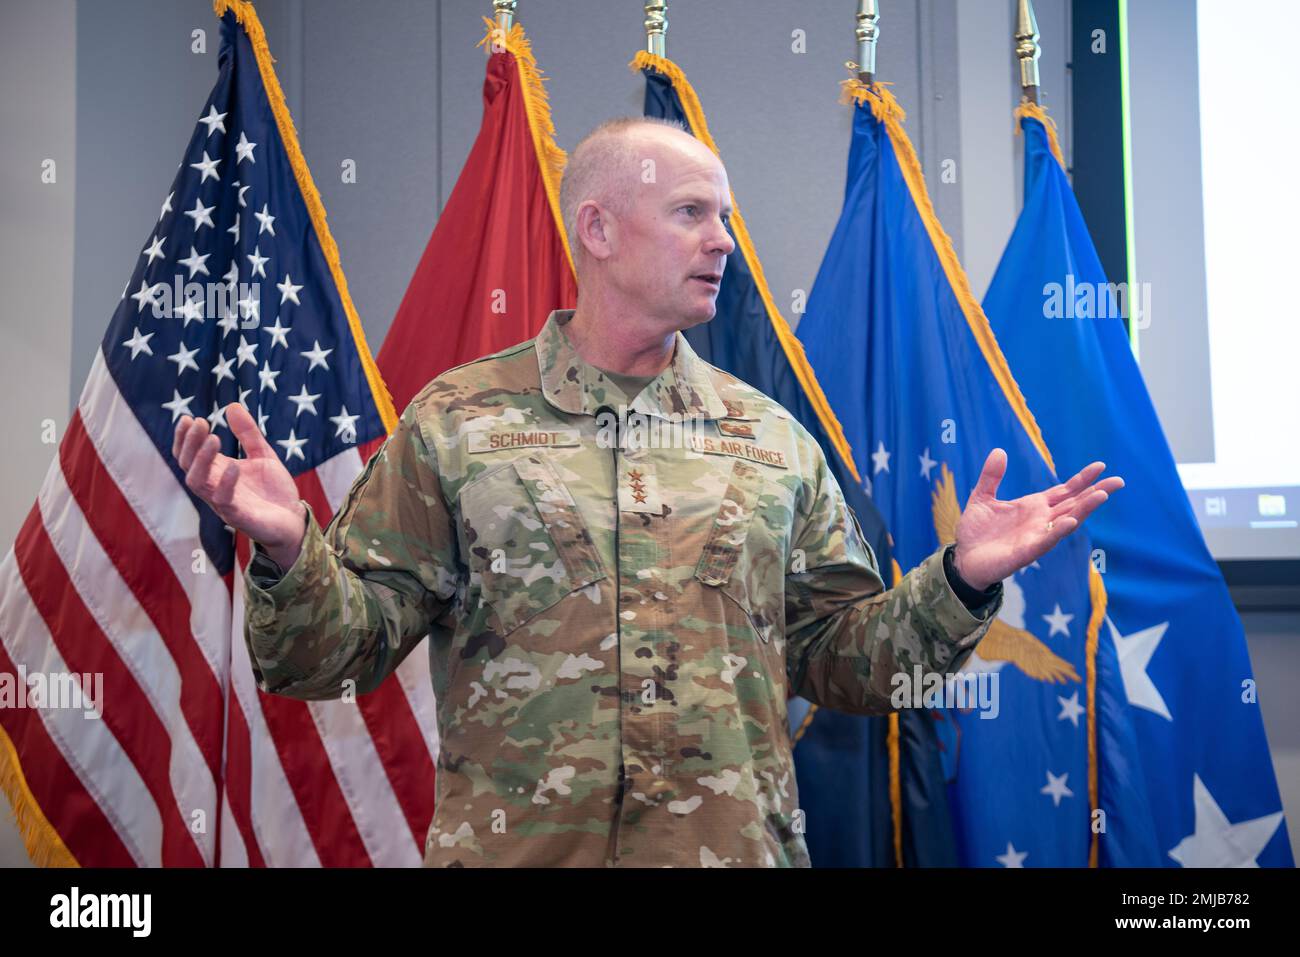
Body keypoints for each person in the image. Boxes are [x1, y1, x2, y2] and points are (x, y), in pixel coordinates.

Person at [171, 116, 1123, 867]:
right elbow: (334, 659)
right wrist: (293, 550)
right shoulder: (457, 424)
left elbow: (844, 664)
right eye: (692, 213)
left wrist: (957, 581)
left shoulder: (771, 440)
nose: (723, 240)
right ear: (598, 228)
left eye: (727, 217)